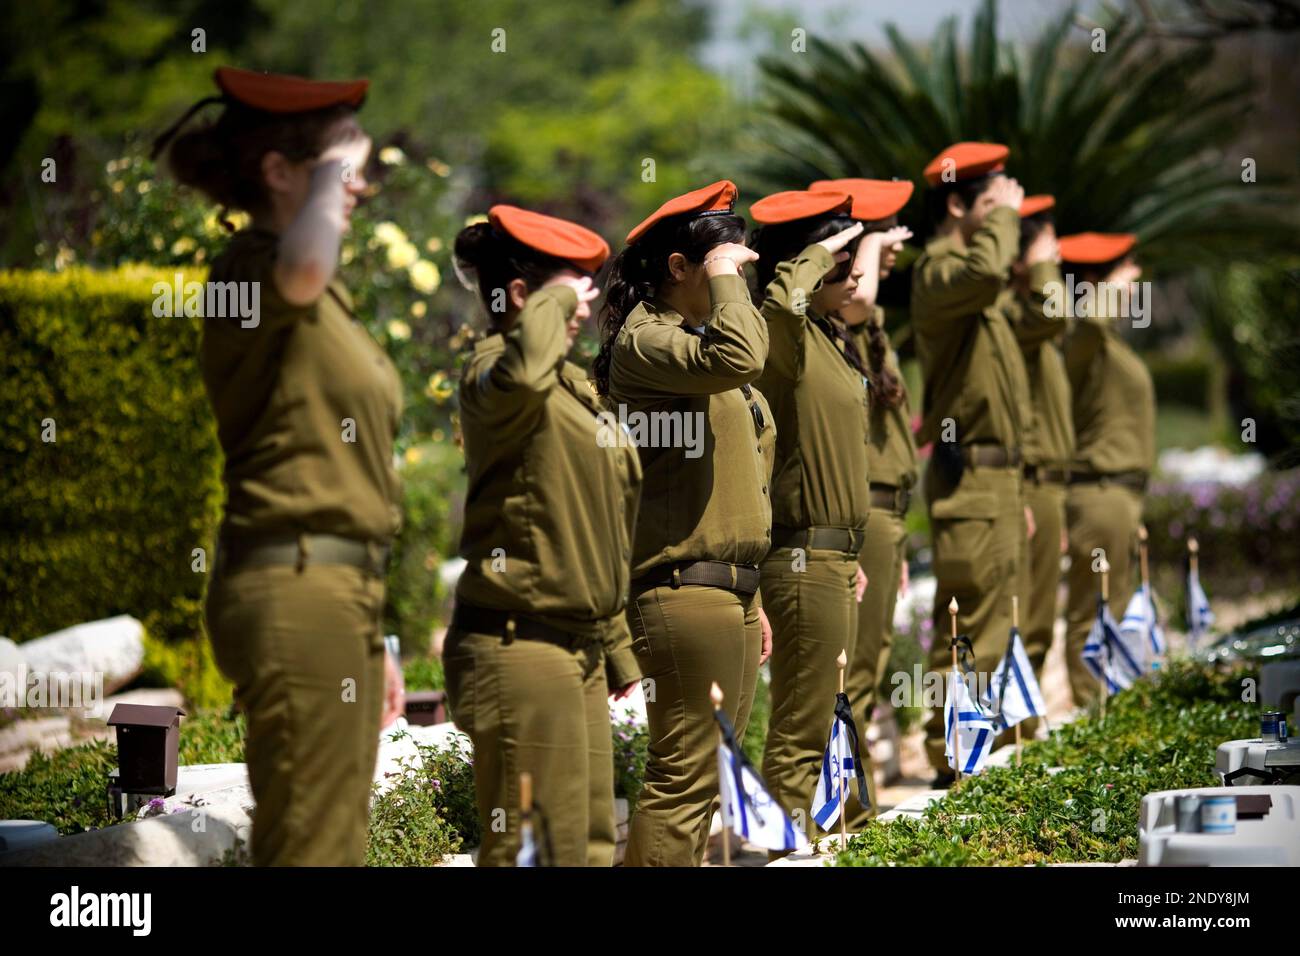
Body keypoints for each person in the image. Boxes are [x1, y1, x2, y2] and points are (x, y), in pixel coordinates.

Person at [157, 66, 401, 865]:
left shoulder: (315, 297)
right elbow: (301, 267)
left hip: (334, 591)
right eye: (343, 166)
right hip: (296, 583)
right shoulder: (253, 273)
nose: (359, 187)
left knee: (329, 836)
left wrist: (375, 641)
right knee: (310, 845)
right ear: (279, 171)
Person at [445, 204, 642, 867]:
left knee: (584, 849)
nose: (584, 304)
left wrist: (614, 645)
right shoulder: (493, 375)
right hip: (517, 643)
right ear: (524, 297)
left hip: (576, 648)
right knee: (531, 851)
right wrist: (552, 305)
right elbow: (522, 373)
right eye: (569, 291)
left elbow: (595, 524)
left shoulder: (571, 388)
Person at [596, 181, 774, 867]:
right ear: (677, 267)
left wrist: (750, 591)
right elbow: (742, 355)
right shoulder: (648, 343)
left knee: (706, 778)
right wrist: (728, 276)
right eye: (721, 263)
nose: (736, 278)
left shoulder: (694, 347)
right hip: (681, 588)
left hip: (727, 588)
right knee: (683, 779)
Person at [911, 142, 1041, 784]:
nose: (1007, 215)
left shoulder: (972, 281)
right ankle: (955, 758)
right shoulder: (941, 273)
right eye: (991, 204)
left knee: (994, 620)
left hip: (997, 474)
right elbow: (989, 270)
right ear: (957, 204)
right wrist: (1004, 222)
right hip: (969, 474)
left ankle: (978, 753)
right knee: (968, 628)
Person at [747, 188, 871, 836]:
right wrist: (821, 251)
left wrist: (849, 550)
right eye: (839, 266)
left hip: (833, 554)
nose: (850, 276)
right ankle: (784, 842)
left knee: (824, 715)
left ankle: (809, 834)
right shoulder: (783, 334)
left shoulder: (827, 336)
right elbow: (778, 300)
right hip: (802, 553)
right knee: (801, 727)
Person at [809, 178, 917, 826]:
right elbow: (857, 297)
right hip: (861, 508)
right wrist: (867, 248)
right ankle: (847, 809)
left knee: (869, 662)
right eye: (886, 231)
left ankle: (856, 802)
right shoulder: (836, 312)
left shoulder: (867, 322)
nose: (897, 245)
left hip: (882, 509)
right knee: (855, 671)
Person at [1060, 232, 1154, 707]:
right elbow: (1090, 323)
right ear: (1095, 281)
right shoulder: (1078, 336)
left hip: (1118, 494)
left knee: (1112, 606)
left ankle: (1107, 705)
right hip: (1097, 492)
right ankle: (1089, 709)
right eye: (1126, 276)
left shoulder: (1105, 341)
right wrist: (1108, 287)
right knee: (1092, 608)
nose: (1136, 288)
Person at [1006, 195, 1070, 703]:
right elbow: (1054, 307)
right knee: (1022, 615)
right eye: (1049, 249)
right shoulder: (1013, 315)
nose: (1058, 260)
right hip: (1026, 481)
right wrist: (1038, 260)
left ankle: (1023, 718)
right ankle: (1009, 728)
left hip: (1047, 482)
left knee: (1042, 616)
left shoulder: (1031, 323)